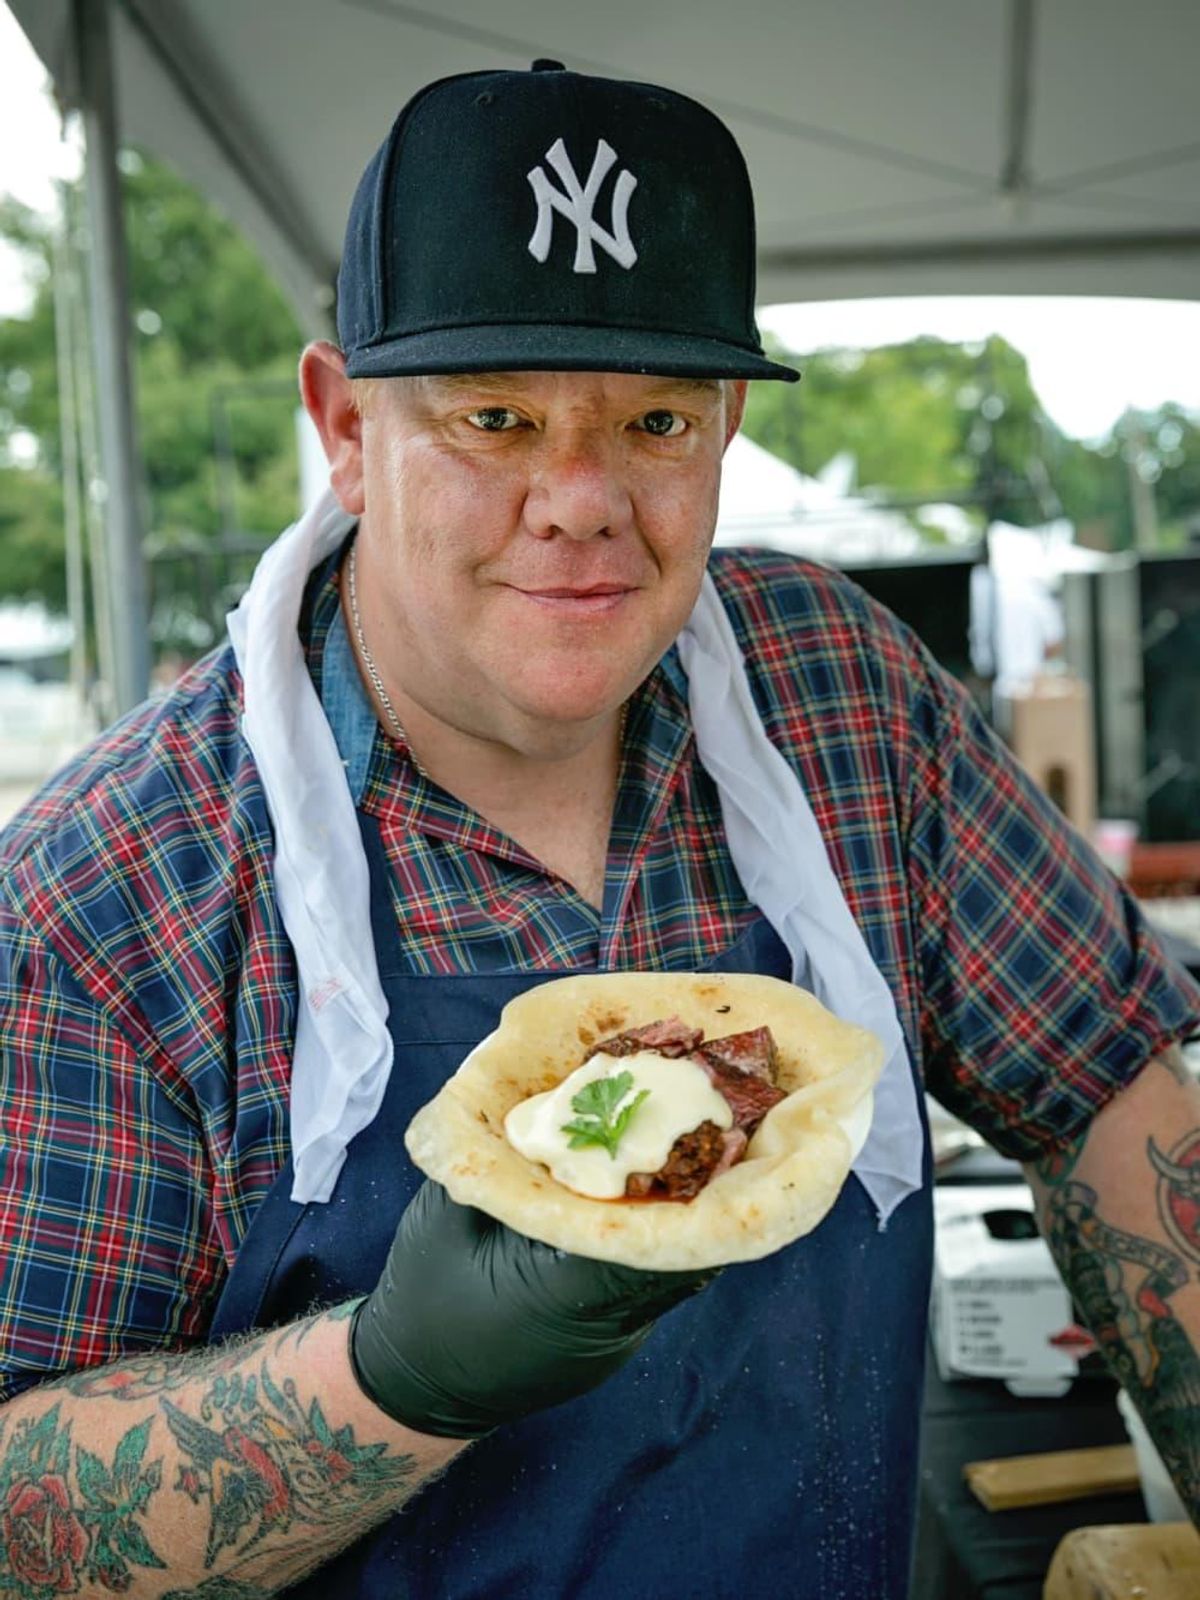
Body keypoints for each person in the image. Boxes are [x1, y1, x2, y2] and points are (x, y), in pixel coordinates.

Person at [1, 60, 1198, 1600]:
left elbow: (1114, 1095)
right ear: (345, 429)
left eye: (652, 420)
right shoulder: (115, 888)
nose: (581, 498)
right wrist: (391, 1378)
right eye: (495, 416)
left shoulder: (841, 697)